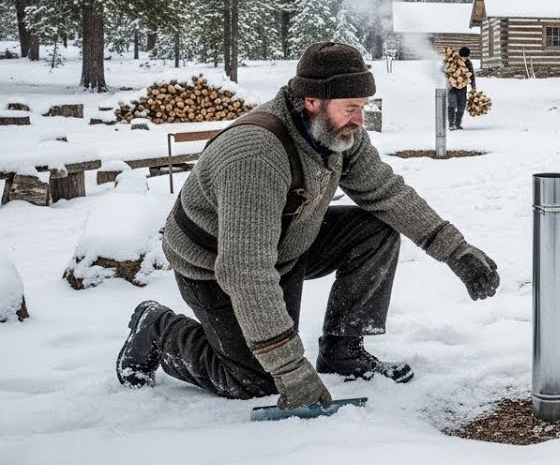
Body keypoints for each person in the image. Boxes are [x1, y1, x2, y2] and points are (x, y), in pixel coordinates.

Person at [115, 42, 500, 411]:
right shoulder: (256, 153)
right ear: (312, 101)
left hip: (287, 244)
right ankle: (158, 329)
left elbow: (386, 193)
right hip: (214, 265)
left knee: (375, 230)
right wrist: (289, 369)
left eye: (362, 107)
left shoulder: (338, 133)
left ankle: (342, 350)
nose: (359, 119)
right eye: (351, 108)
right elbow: (244, 269)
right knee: (256, 379)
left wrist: (456, 251)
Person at [448, 46, 476, 130]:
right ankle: (451, 124)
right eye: (463, 57)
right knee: (452, 105)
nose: (464, 59)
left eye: (466, 57)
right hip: (451, 88)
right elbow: (445, 71)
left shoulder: (468, 63)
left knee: (461, 107)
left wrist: (473, 87)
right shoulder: (453, 60)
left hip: (463, 87)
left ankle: (457, 123)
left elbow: (471, 75)